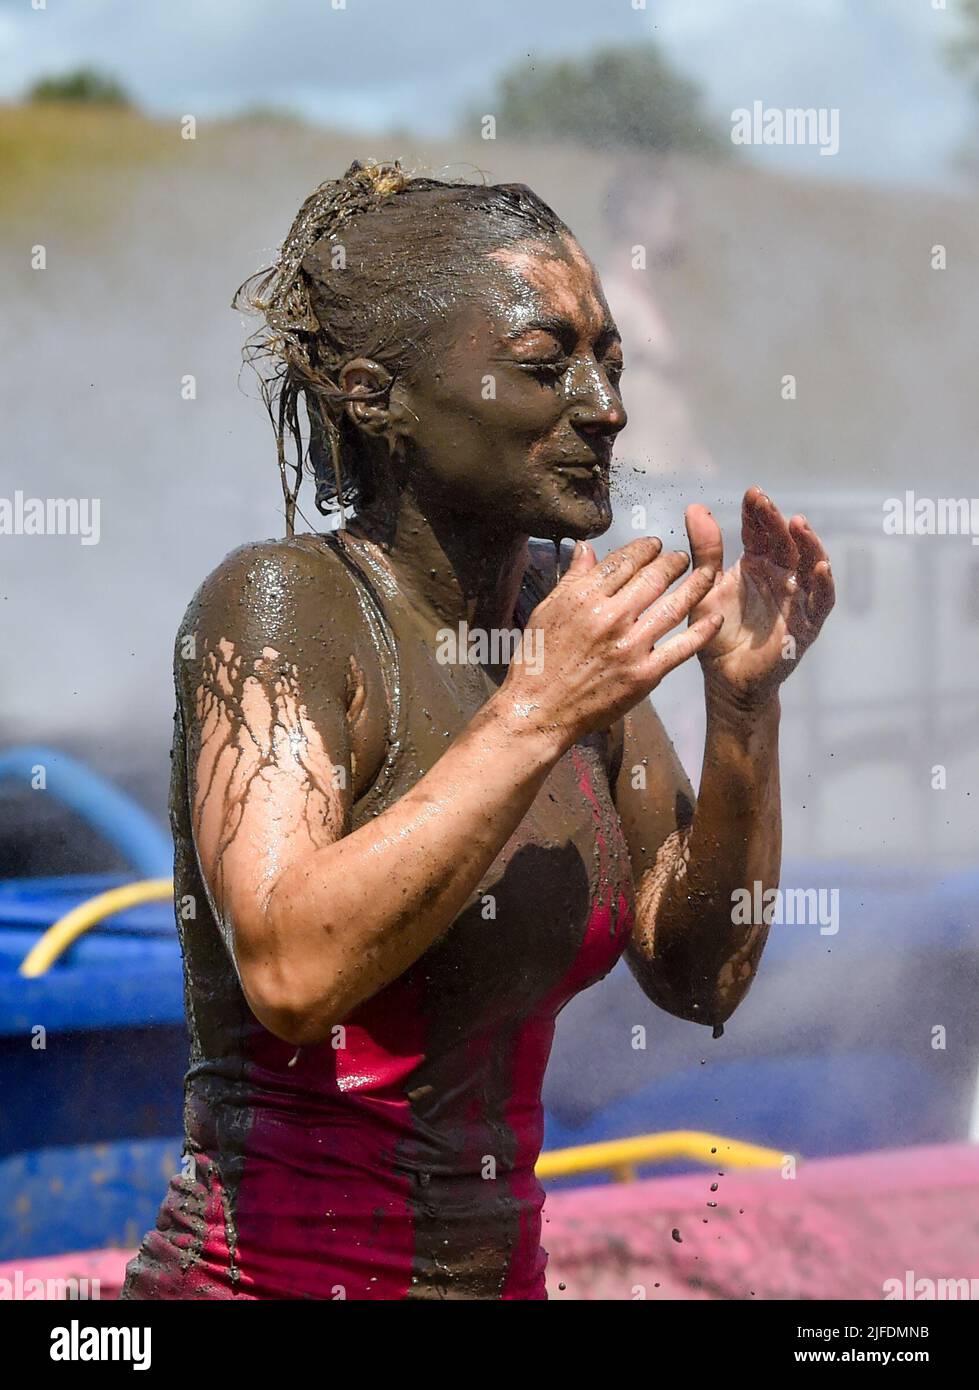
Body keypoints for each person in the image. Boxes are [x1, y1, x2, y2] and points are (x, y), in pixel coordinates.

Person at [121, 160, 834, 1301]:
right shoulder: (282, 606)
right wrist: (538, 708)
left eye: (609, 360)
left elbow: (701, 977)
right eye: (546, 367)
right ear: (373, 395)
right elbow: (291, 969)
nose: (604, 406)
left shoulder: (560, 621)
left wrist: (743, 712)